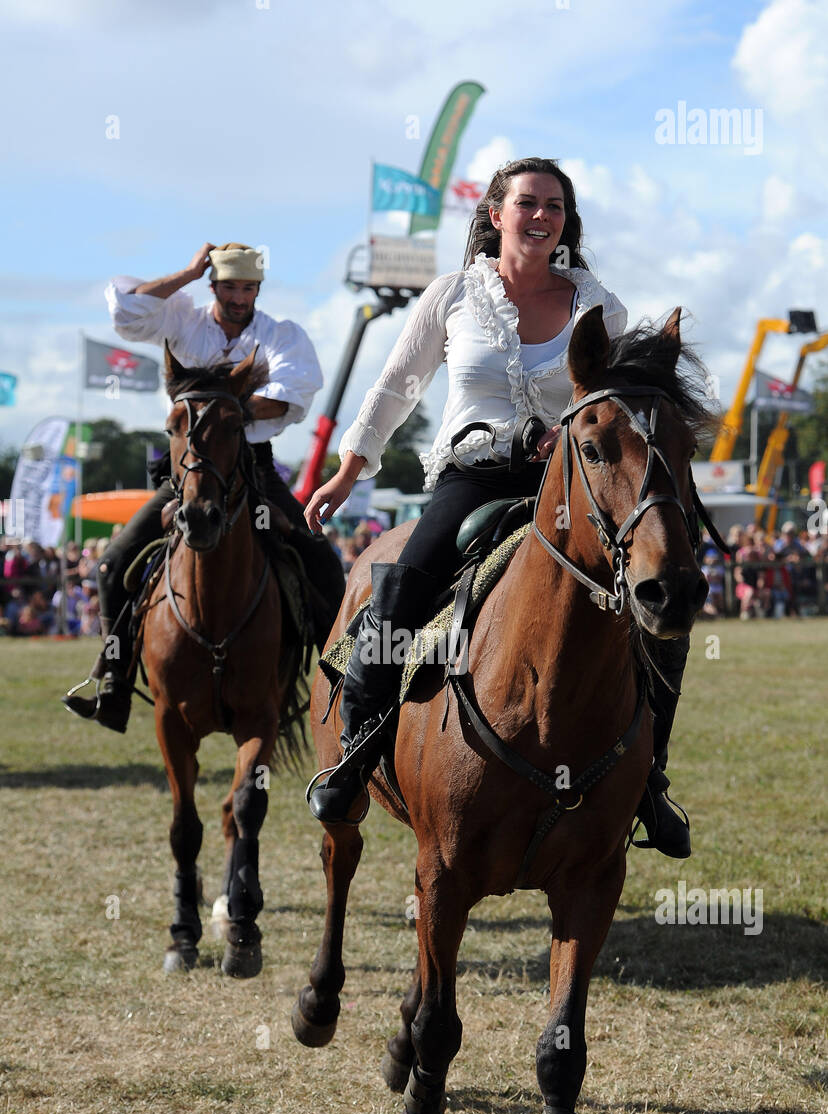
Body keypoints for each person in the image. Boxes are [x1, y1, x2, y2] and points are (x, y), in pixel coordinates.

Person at [303, 157, 692, 857]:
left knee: (656, 608)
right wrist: (346, 471)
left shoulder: (599, 307)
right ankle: (354, 756)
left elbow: (608, 408)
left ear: (567, 220)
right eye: (528, 203)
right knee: (405, 583)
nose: (541, 216)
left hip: (572, 487)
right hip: (474, 476)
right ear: (494, 214)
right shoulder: (452, 293)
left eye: (554, 206)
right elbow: (396, 388)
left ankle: (648, 782)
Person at [63, 241, 344, 732]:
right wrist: (187, 272)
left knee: (320, 559)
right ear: (213, 285)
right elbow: (126, 307)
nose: (240, 296)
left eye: (249, 287)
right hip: (185, 471)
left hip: (250, 465)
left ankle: (344, 687)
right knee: (111, 565)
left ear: (259, 289)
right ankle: (112, 682)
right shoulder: (182, 317)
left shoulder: (279, 335)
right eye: (230, 285)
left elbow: (291, 394)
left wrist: (219, 415)